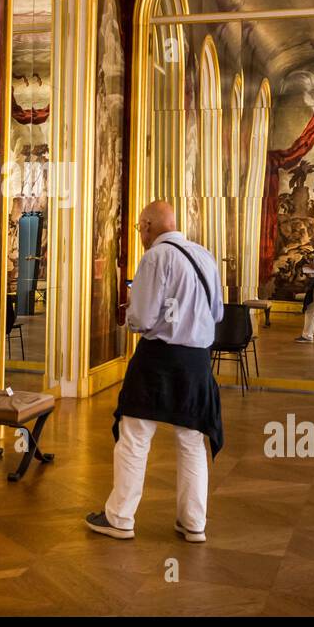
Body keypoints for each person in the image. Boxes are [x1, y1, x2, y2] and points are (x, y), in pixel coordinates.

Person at [85, 200, 223, 543]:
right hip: (196, 363)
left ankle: (119, 517)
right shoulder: (204, 256)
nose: (140, 234)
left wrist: (130, 313)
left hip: (157, 360)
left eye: (139, 228)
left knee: (135, 437)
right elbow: (217, 313)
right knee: (191, 441)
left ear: (147, 226)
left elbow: (143, 319)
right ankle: (194, 523)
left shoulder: (155, 258)